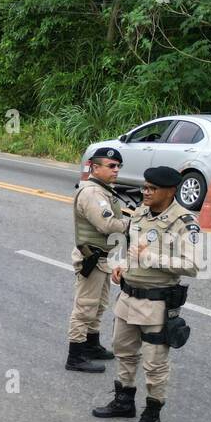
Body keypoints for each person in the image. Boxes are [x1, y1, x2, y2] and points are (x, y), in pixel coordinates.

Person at [92, 165, 201, 422]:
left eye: (152, 188)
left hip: (156, 303)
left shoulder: (183, 222)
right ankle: (123, 401)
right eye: (145, 187)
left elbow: (193, 265)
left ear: (171, 191)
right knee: (123, 350)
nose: (146, 192)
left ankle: (152, 413)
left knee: (154, 363)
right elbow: (133, 247)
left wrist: (150, 259)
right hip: (128, 296)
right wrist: (123, 266)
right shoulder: (140, 212)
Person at [66, 147, 129, 372]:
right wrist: (133, 225)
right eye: (111, 166)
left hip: (103, 258)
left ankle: (91, 345)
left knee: (99, 305)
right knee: (85, 307)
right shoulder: (92, 193)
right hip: (91, 257)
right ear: (95, 167)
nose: (116, 170)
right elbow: (107, 225)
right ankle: (75, 356)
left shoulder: (102, 190)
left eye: (118, 166)